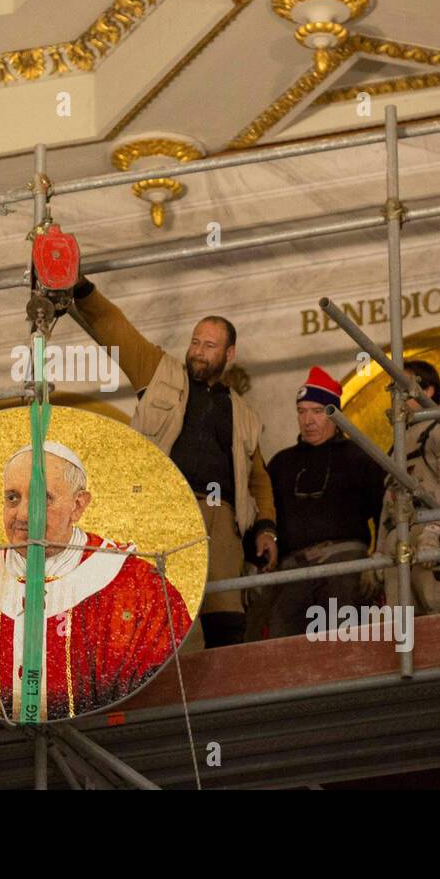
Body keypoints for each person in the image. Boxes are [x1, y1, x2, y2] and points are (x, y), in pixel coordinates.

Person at [0, 441, 192, 720]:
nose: (24, 514)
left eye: (42, 498)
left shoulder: (138, 590)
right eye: (12, 498)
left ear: (78, 505)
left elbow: (165, 694)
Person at [71, 277, 278, 648]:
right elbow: (114, 328)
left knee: (227, 623)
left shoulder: (245, 414)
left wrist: (266, 529)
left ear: (230, 354)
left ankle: (225, 703)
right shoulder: (158, 371)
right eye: (195, 342)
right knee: (158, 617)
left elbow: (258, 480)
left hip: (223, 521)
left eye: (210, 346)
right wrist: (80, 286)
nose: (198, 351)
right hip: (168, 510)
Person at [246, 366, 386, 639]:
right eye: (302, 411)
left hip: (344, 561)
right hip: (292, 569)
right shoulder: (281, 463)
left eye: (318, 411)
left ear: (335, 415)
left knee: (342, 640)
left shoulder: (360, 457)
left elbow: (385, 512)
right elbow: (263, 514)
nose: (308, 420)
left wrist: (378, 560)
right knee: (280, 641)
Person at [375, 360, 440, 613]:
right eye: (393, 389)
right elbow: (388, 499)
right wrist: (380, 550)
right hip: (398, 536)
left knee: (438, 607)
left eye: (403, 387)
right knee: (400, 625)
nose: (397, 395)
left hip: (431, 530)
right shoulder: (397, 443)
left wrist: (435, 528)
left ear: (427, 390)